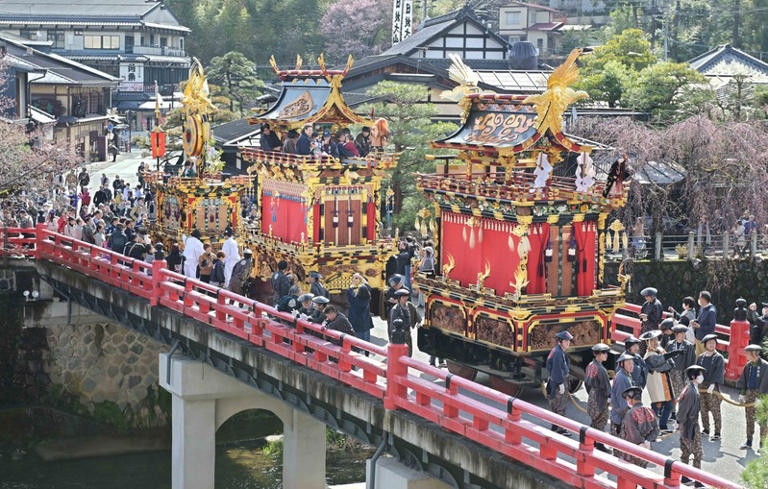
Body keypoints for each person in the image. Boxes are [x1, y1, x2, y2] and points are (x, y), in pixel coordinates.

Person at [641, 330, 676, 433]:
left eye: (656, 339)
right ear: (648, 342)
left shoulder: (660, 350)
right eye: (652, 340)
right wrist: (665, 363)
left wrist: (665, 363)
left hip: (665, 380)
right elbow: (659, 364)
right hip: (656, 383)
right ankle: (652, 426)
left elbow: (671, 363)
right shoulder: (648, 355)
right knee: (657, 405)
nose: (655, 342)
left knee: (669, 404)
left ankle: (662, 425)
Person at [737, 344, 768, 453]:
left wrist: (761, 397)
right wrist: (742, 393)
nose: (746, 355)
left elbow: (765, 383)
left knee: (762, 421)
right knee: (749, 419)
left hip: (762, 396)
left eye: (747, 353)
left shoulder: (765, 366)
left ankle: (762, 445)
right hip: (750, 394)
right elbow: (744, 379)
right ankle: (749, 441)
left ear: (754, 353)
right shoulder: (748, 365)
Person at [678, 365, 706, 482]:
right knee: (698, 453)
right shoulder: (691, 392)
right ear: (693, 376)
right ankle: (697, 480)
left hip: (687, 424)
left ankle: (684, 477)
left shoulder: (691, 388)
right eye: (700, 374)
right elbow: (683, 410)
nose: (702, 377)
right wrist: (679, 422)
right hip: (690, 425)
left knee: (686, 451)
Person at [619, 386, 659, 468]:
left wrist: (641, 443)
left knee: (631, 475)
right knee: (643, 472)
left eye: (627, 399)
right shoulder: (650, 410)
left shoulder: (630, 413)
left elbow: (632, 433)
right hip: (647, 449)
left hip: (633, 450)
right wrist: (647, 441)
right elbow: (656, 430)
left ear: (631, 400)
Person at [696, 333, 725, 441]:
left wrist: (713, 384)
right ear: (705, 345)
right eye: (710, 343)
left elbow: (719, 372)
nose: (712, 345)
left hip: (712, 386)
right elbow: (697, 369)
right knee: (703, 408)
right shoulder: (701, 357)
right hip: (701, 385)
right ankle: (706, 428)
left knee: (715, 409)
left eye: (713, 343)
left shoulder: (718, 357)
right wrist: (697, 378)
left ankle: (717, 432)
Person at [545, 330, 573, 436]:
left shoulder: (558, 351)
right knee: (560, 405)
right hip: (558, 382)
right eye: (566, 341)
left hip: (556, 381)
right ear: (560, 341)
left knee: (556, 404)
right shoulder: (558, 352)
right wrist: (560, 383)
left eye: (569, 341)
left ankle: (555, 426)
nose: (568, 343)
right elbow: (556, 369)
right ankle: (560, 428)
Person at [666, 323, 696, 420]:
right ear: (676, 334)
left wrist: (689, 374)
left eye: (684, 333)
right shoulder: (670, 344)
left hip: (682, 372)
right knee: (671, 393)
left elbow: (691, 360)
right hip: (671, 372)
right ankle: (673, 412)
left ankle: (682, 412)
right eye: (680, 333)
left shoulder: (689, 346)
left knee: (682, 393)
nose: (683, 335)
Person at [585, 343, 613, 444]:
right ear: (597, 354)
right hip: (601, 397)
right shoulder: (601, 369)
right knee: (601, 421)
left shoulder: (590, 365)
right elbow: (606, 387)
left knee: (594, 421)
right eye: (603, 353)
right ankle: (598, 443)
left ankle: (591, 441)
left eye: (606, 352)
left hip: (592, 395)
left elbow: (586, 383)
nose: (606, 355)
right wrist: (609, 397)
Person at [388, 288, 421, 356]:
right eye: (403, 297)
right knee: (400, 354)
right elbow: (392, 326)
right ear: (399, 298)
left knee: (408, 353)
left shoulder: (409, 305)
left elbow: (417, 316)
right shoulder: (395, 310)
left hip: (408, 333)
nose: (405, 298)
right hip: (400, 335)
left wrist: (418, 323)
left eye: (406, 296)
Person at [611, 353, 635, 437]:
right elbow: (622, 401)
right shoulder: (621, 378)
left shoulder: (626, 374)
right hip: (620, 417)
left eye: (632, 363)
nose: (631, 365)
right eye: (628, 363)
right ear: (622, 364)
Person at [347, 274, 373, 342]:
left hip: (355, 323)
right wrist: (360, 277)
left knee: (357, 341)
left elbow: (350, 291)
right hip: (365, 323)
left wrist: (353, 284)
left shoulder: (354, 299)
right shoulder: (368, 298)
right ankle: (366, 352)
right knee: (366, 341)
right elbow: (368, 286)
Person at [691, 291, 716, 356]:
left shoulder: (711, 311)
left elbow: (711, 327)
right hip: (698, 338)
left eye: (700, 298)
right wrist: (694, 321)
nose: (699, 299)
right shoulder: (702, 307)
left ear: (703, 299)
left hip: (706, 340)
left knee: (705, 359)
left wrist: (700, 326)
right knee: (697, 358)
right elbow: (699, 319)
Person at [638, 287, 662, 356]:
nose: (646, 298)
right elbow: (642, 312)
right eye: (645, 296)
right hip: (645, 328)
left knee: (651, 347)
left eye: (647, 296)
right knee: (642, 346)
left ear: (652, 296)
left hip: (652, 329)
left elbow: (657, 318)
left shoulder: (657, 305)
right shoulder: (646, 304)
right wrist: (641, 316)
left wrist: (647, 317)